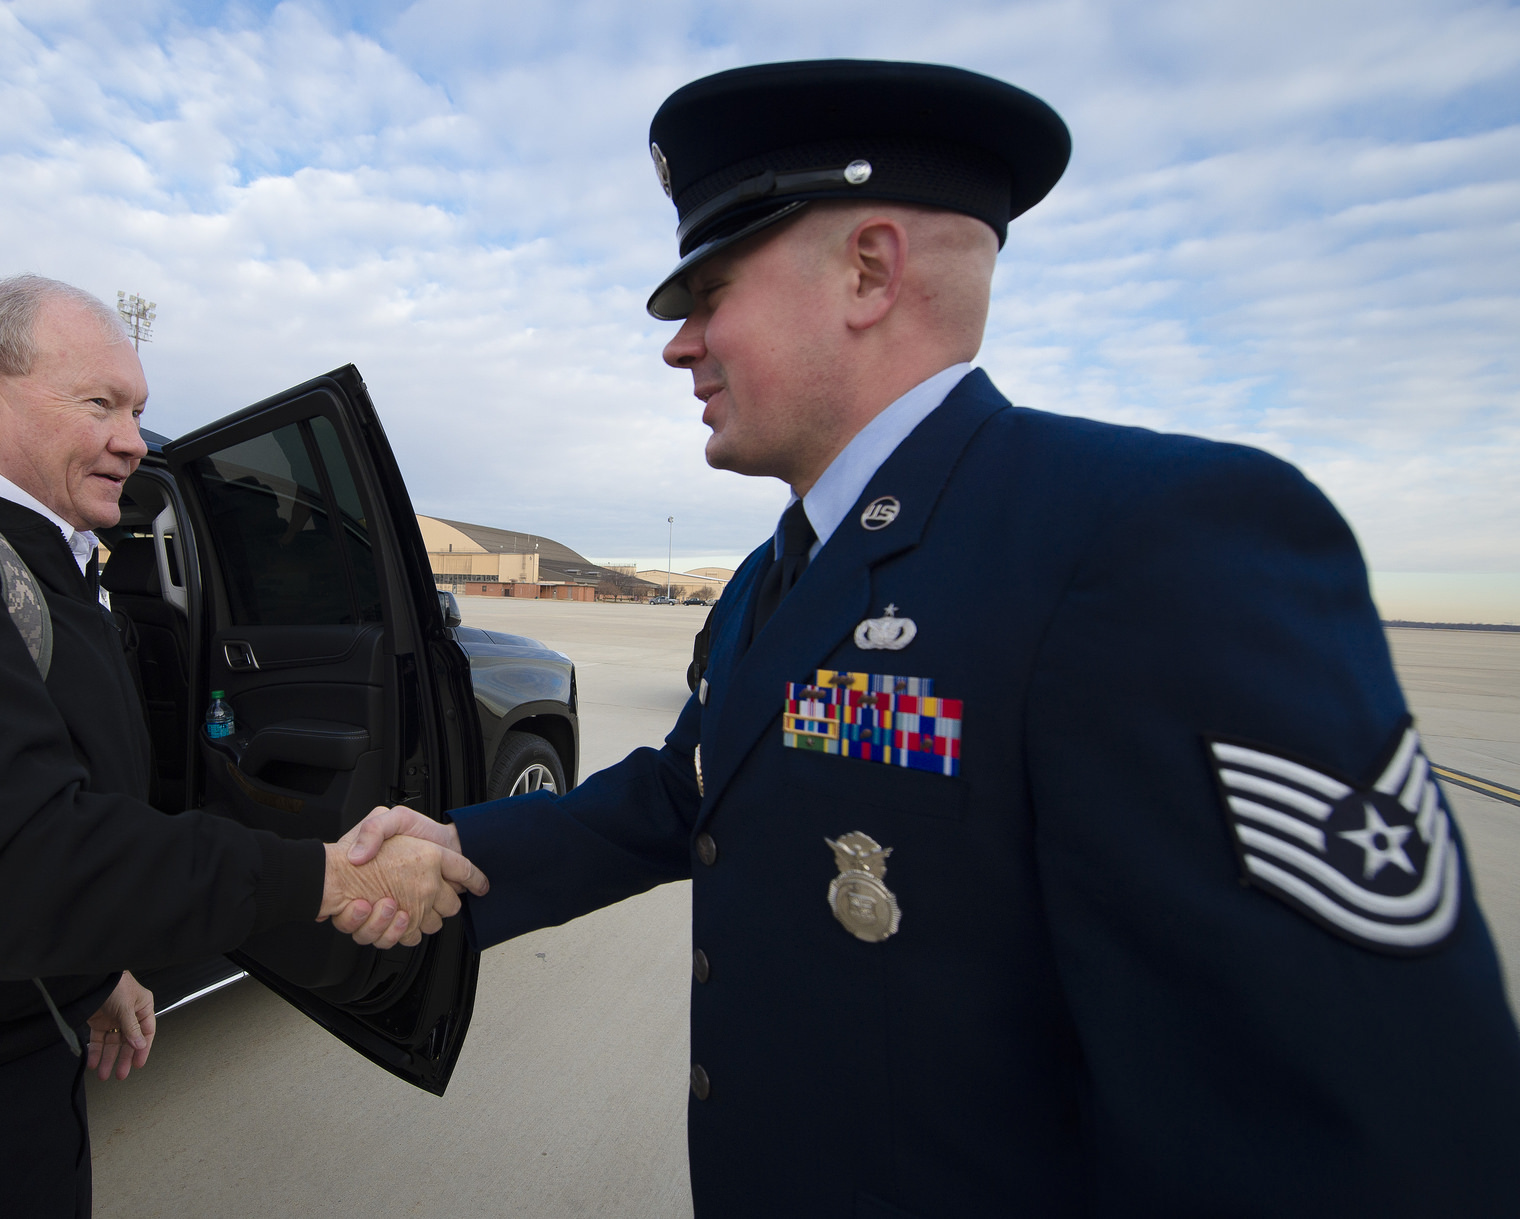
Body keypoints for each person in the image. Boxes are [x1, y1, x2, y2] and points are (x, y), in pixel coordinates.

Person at [345, 61, 1520, 1215]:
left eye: (706, 295)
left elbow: (1358, 1130)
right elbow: (685, 794)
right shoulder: (775, 573)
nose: (677, 344)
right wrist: (447, 847)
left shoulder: (1148, 539)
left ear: (867, 271)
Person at [0, 274, 483, 1218]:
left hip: (10, 1046)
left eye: (139, 409)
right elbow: (18, 868)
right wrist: (338, 876)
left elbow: (50, 800)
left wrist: (99, 965)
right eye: (100, 404)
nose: (133, 438)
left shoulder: (40, 557)